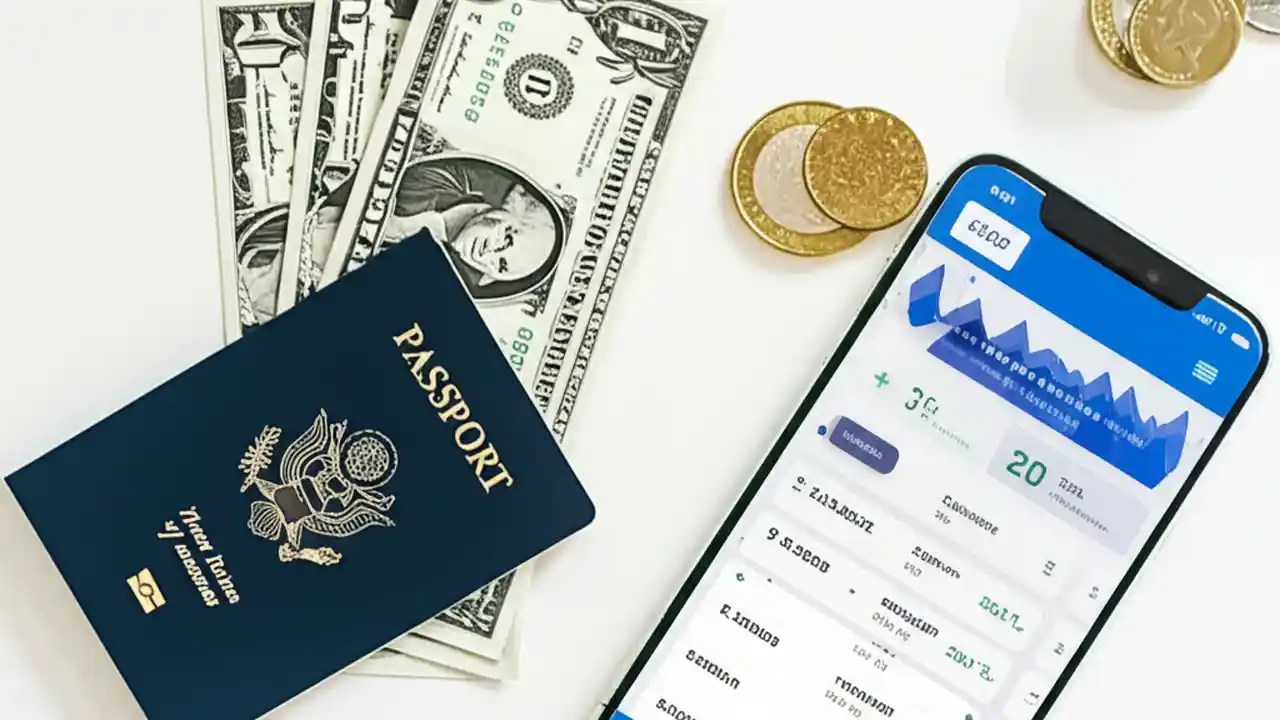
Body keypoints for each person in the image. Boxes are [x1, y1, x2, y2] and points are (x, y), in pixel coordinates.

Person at [383, 159, 559, 291]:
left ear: (489, 278)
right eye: (506, 238)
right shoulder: (440, 179)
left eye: (502, 264)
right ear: (505, 210)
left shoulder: (428, 279)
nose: (490, 252)